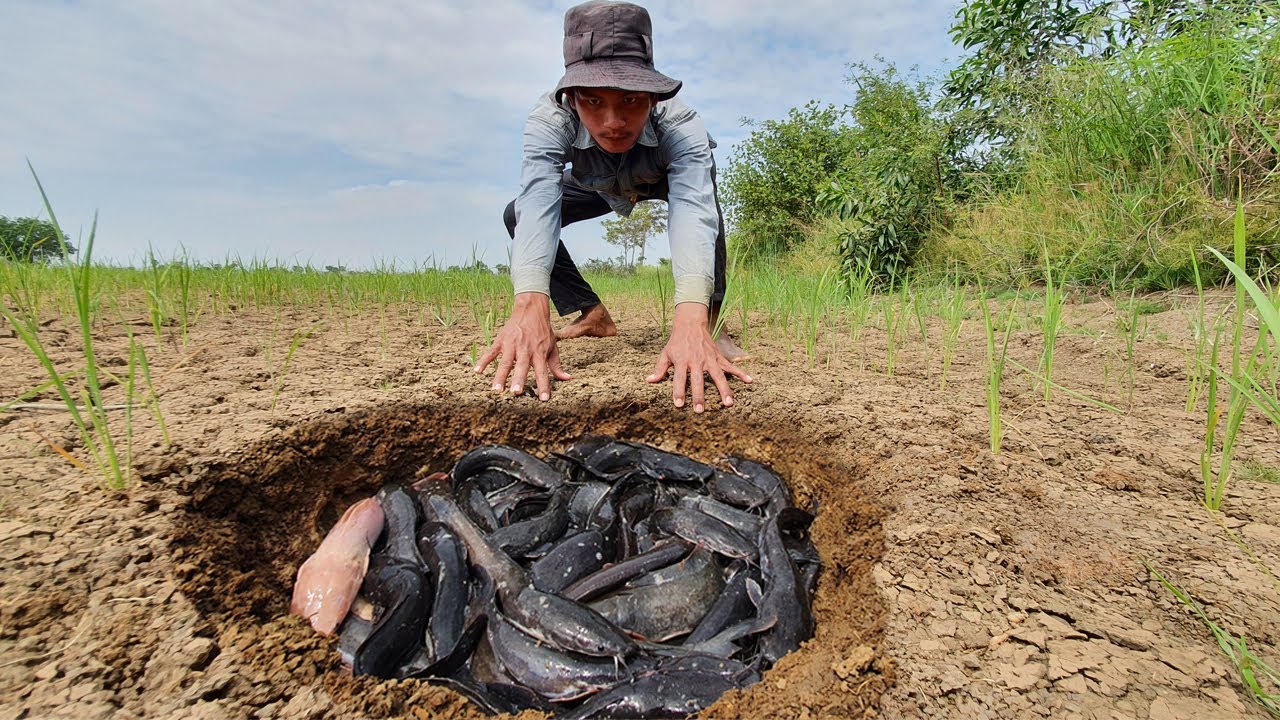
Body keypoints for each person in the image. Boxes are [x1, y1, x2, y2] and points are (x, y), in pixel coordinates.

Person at [475, 0, 751, 413]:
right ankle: (592, 313)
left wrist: (689, 318)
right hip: (599, 185)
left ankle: (710, 323)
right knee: (516, 213)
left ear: (654, 98)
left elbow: (694, 211)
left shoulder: (681, 125)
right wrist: (529, 304)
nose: (612, 122)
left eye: (630, 100)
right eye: (592, 102)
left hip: (657, 179)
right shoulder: (550, 119)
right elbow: (538, 201)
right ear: (571, 97)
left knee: (709, 213)